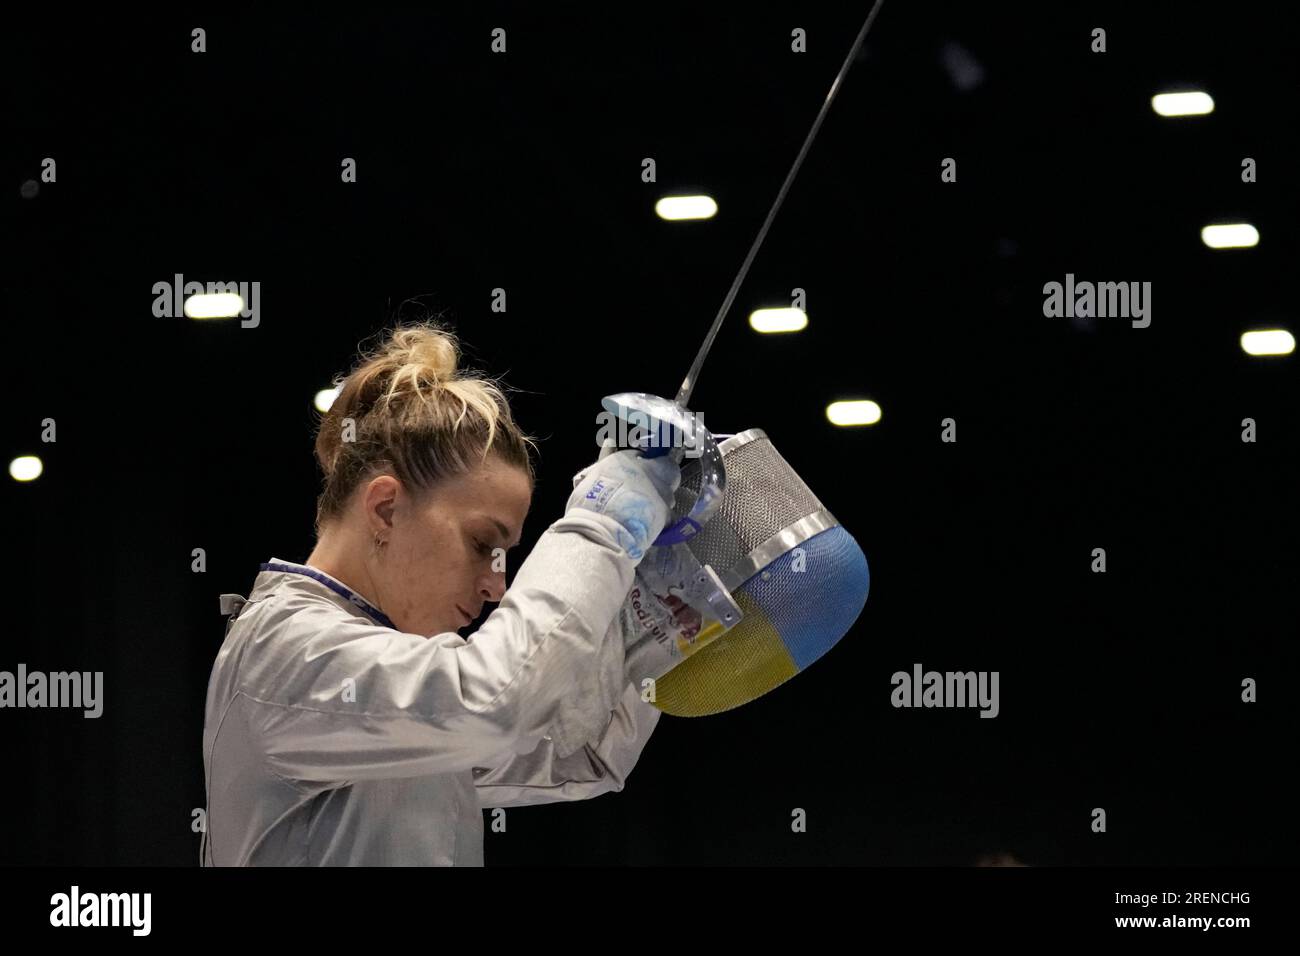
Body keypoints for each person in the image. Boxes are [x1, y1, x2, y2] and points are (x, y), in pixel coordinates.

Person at [200, 322, 681, 865]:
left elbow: (576, 750)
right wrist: (605, 521)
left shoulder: (389, 682)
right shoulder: (285, 650)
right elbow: (495, 702)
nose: (496, 586)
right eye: (481, 543)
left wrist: (651, 608)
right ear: (385, 509)